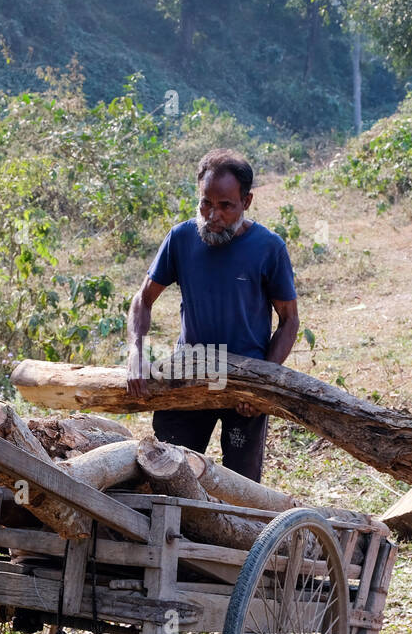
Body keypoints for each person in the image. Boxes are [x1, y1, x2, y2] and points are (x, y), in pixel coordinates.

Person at [126, 148, 299, 483]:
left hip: (244, 385)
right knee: (169, 476)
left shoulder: (269, 248)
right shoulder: (180, 238)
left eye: (225, 206)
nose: (212, 215)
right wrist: (135, 352)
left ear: (246, 202)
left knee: (242, 487)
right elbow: (142, 300)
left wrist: (262, 382)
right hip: (188, 375)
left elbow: (289, 320)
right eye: (206, 203)